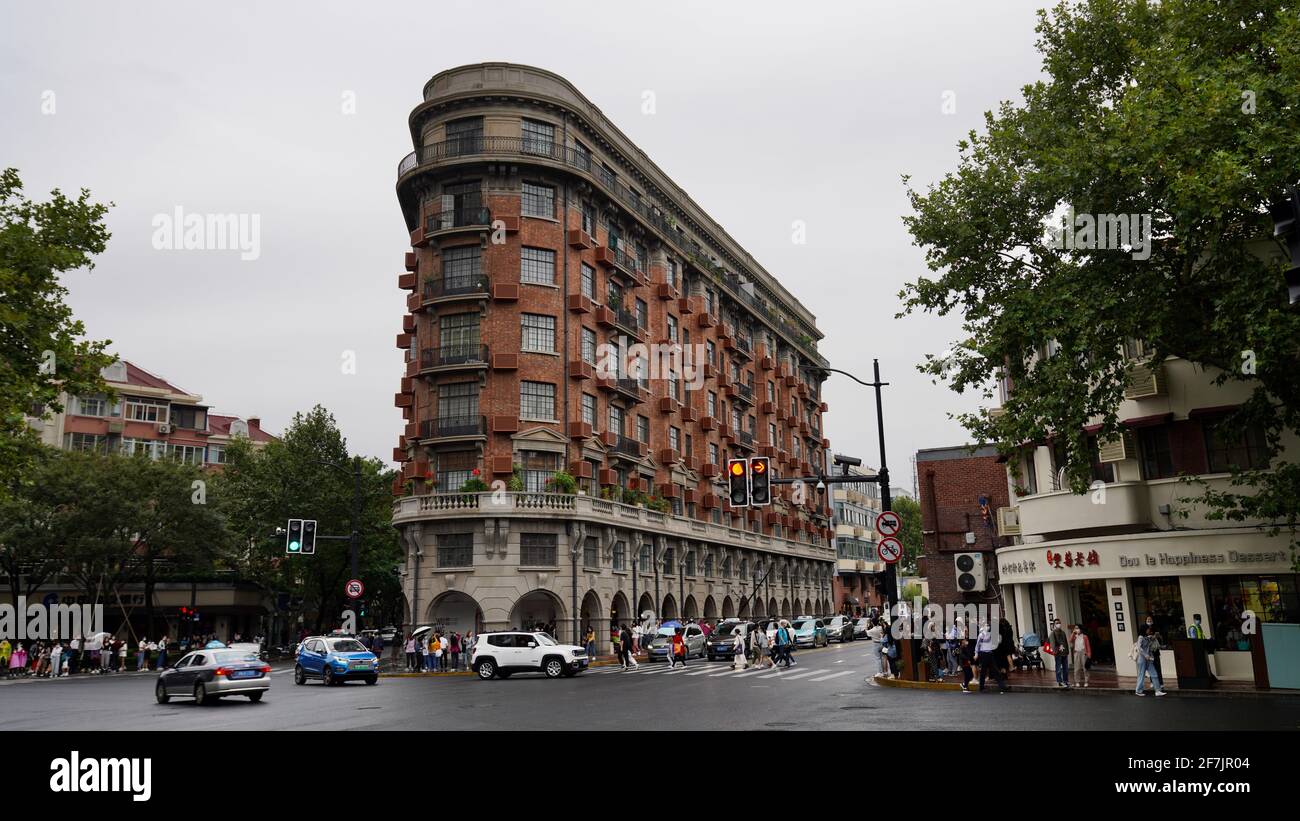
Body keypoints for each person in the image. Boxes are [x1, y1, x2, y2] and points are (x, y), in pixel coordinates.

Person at [975, 621, 1008, 693]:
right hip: (983, 654)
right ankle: (981, 687)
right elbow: (977, 645)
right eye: (986, 626)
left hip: (990, 654)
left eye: (988, 626)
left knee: (995, 670)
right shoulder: (981, 635)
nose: (988, 627)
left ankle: (1002, 686)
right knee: (983, 671)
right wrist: (976, 654)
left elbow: (998, 642)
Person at [1134, 625, 1166, 696]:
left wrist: (1156, 635)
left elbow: (1153, 638)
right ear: (1144, 630)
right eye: (1148, 629)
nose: (1149, 630)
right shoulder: (1141, 637)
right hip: (1142, 659)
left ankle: (1157, 690)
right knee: (1141, 675)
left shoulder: (1147, 637)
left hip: (1148, 660)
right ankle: (1138, 691)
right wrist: (1145, 655)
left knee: (1154, 673)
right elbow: (1139, 648)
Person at [1047, 619, 1070, 688]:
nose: (1058, 624)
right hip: (1058, 654)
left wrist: (1067, 651)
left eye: (1059, 623)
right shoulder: (1053, 633)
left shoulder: (1063, 632)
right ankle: (1060, 682)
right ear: (1054, 624)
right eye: (1057, 623)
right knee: (1058, 668)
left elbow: (1066, 642)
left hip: (1064, 653)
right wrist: (1055, 651)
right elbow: (1052, 644)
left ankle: (1066, 681)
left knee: (1065, 668)